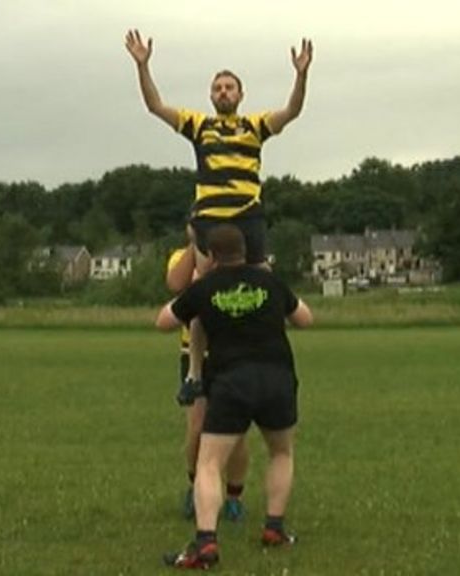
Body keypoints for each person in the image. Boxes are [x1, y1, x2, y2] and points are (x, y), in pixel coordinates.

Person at [125, 28, 313, 397]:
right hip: (210, 221)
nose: (223, 92)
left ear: (241, 95)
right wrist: (143, 67)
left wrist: (301, 74)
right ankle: (195, 372)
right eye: (217, 88)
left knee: (265, 284)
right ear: (210, 96)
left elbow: (292, 111)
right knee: (201, 290)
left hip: (248, 219)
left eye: (229, 87)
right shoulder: (200, 126)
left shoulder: (254, 126)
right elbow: (155, 107)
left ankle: (272, 356)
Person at [155, 224, 313, 570]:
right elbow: (305, 318)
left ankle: (206, 543)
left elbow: (164, 321)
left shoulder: (205, 287)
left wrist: (195, 297)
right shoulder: (270, 282)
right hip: (277, 378)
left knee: (210, 464)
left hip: (230, 382)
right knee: (281, 453)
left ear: (210, 256)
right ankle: (274, 529)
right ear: (248, 251)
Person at [166, 232, 249, 523]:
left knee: (236, 433)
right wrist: (194, 245)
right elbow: (177, 285)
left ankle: (234, 497)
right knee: (197, 426)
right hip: (194, 353)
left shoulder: (236, 253)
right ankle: (196, 487)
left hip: (232, 348)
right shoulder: (182, 257)